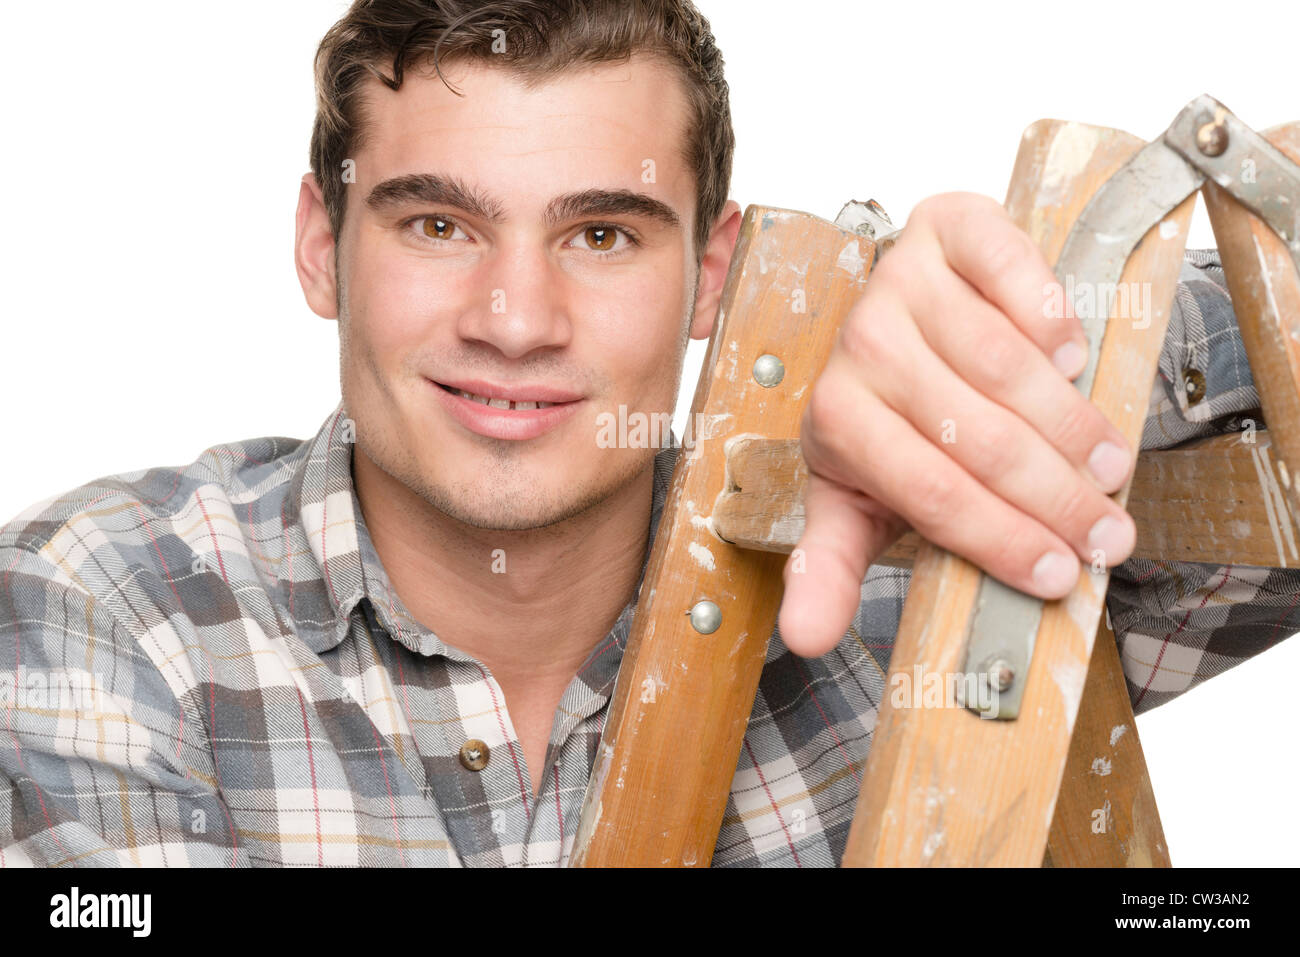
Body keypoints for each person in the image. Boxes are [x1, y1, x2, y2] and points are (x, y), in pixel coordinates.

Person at [1, 0, 1294, 867]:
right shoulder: (109, 610)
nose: (515, 320)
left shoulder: (928, 553)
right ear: (320, 245)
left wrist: (999, 345)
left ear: (714, 278)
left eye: (602, 233)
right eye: (437, 224)